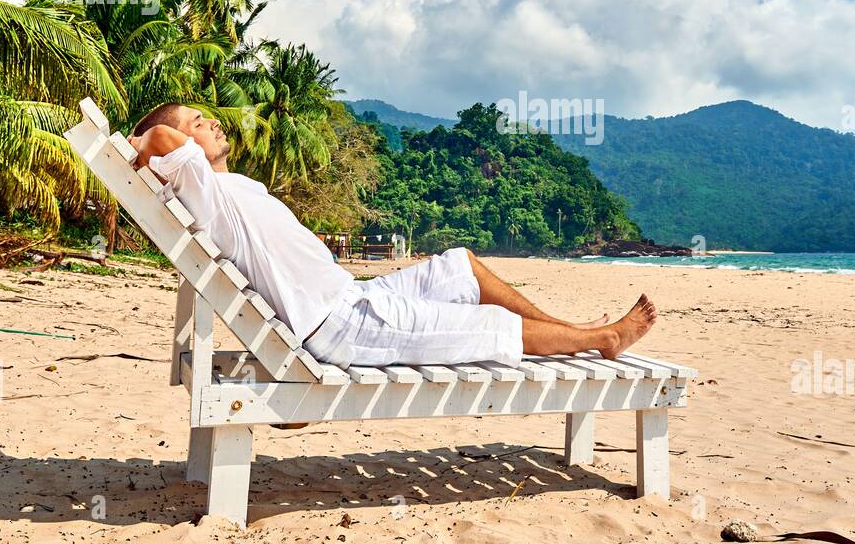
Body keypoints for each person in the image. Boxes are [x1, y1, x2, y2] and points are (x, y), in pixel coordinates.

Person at [126, 103, 658, 369]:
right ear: (180, 151)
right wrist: (146, 133)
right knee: (491, 323)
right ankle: (601, 339)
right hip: (340, 326)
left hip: (354, 298)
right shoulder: (203, 192)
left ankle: (568, 327)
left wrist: (169, 134)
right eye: (199, 121)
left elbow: (178, 144)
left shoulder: (229, 186)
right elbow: (166, 142)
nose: (212, 123)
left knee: (460, 264)